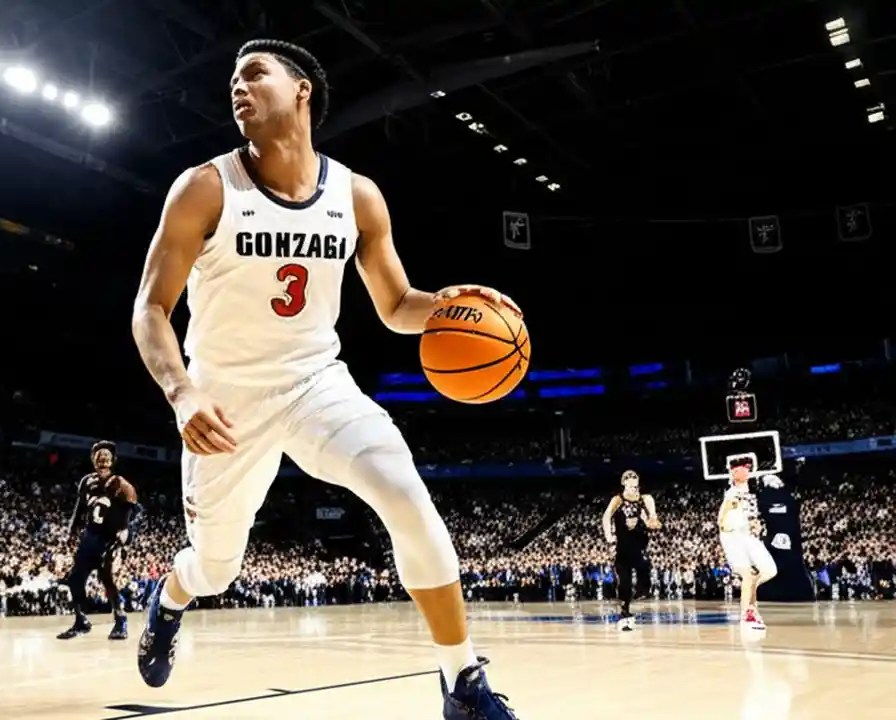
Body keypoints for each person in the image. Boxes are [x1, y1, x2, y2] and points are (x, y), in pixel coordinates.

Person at [129, 38, 521, 719]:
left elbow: (398, 307)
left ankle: (462, 683)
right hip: (223, 399)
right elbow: (151, 309)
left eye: (254, 73)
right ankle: (168, 598)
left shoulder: (357, 195)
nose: (237, 86)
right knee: (216, 569)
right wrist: (182, 391)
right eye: (231, 77)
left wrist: (458, 308)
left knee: (405, 495)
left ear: (303, 89)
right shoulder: (204, 187)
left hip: (316, 383)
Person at [58, 441, 141, 641]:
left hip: (110, 536)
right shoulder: (86, 481)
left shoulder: (121, 484)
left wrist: (124, 535)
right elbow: (79, 510)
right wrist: (71, 533)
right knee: (75, 579)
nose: (102, 459)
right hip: (90, 535)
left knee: (107, 579)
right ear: (93, 459)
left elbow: (132, 513)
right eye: (98, 455)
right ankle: (81, 621)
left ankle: (120, 620)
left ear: (112, 460)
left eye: (106, 456)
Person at [718, 456, 777, 632]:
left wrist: (754, 524)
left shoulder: (750, 493)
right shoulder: (732, 493)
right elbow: (722, 518)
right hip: (732, 536)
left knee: (769, 570)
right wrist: (725, 522)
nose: (747, 471)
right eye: (743, 468)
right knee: (747, 575)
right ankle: (747, 614)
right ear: (735, 472)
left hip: (747, 535)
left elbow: (750, 516)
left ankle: (750, 602)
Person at [601, 470, 661, 631]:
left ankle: (641, 593)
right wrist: (609, 534)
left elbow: (654, 520)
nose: (634, 486)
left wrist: (645, 523)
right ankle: (624, 613)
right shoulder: (618, 500)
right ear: (624, 484)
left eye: (635, 482)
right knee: (624, 582)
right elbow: (606, 516)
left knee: (643, 573)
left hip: (639, 543)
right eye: (630, 482)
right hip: (622, 546)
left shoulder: (646, 499)